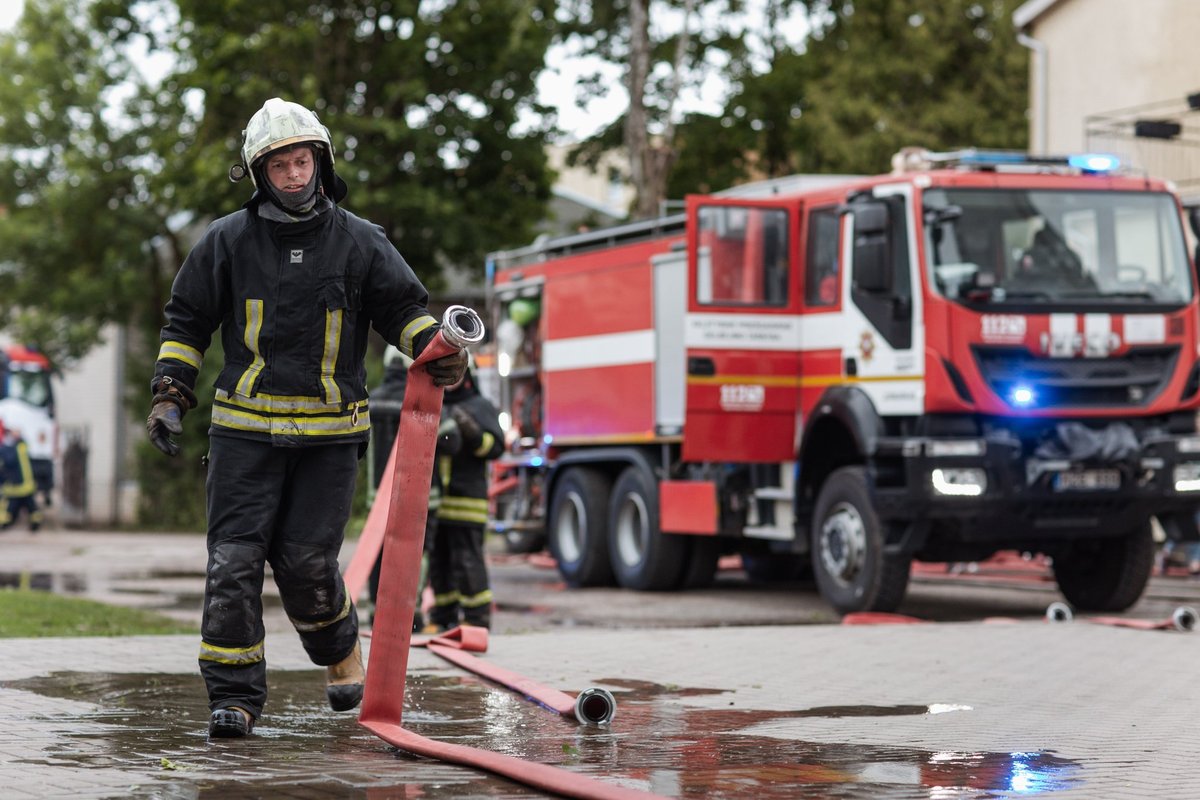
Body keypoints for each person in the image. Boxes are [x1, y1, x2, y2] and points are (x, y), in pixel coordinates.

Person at [145, 97, 467, 740]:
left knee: (307, 564)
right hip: (244, 434)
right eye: (280, 165)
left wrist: (441, 354)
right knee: (233, 564)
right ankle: (233, 701)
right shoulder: (226, 242)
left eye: (303, 161)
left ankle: (340, 653)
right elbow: (187, 321)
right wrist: (169, 394)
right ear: (258, 173)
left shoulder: (360, 241)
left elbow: (403, 310)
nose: (294, 175)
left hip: (327, 438)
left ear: (320, 161)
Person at [366, 347, 461, 632]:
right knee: (415, 554)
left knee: (379, 555)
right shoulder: (421, 400)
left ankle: (376, 614)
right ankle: (411, 616)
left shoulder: (371, 400)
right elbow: (452, 440)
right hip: (420, 496)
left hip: (378, 498)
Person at [426, 356, 504, 631]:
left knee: (467, 560)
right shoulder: (434, 404)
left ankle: (476, 618)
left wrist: (473, 433)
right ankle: (443, 615)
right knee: (439, 561)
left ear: (466, 374)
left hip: (467, 500)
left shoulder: (480, 407)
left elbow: (495, 448)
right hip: (438, 501)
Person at [0, 423, 43, 532]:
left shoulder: (11, 448)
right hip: (24, 485)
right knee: (29, 507)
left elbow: (8, 463)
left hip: (18, 486)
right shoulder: (21, 446)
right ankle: (33, 524)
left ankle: (7, 524)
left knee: (14, 508)